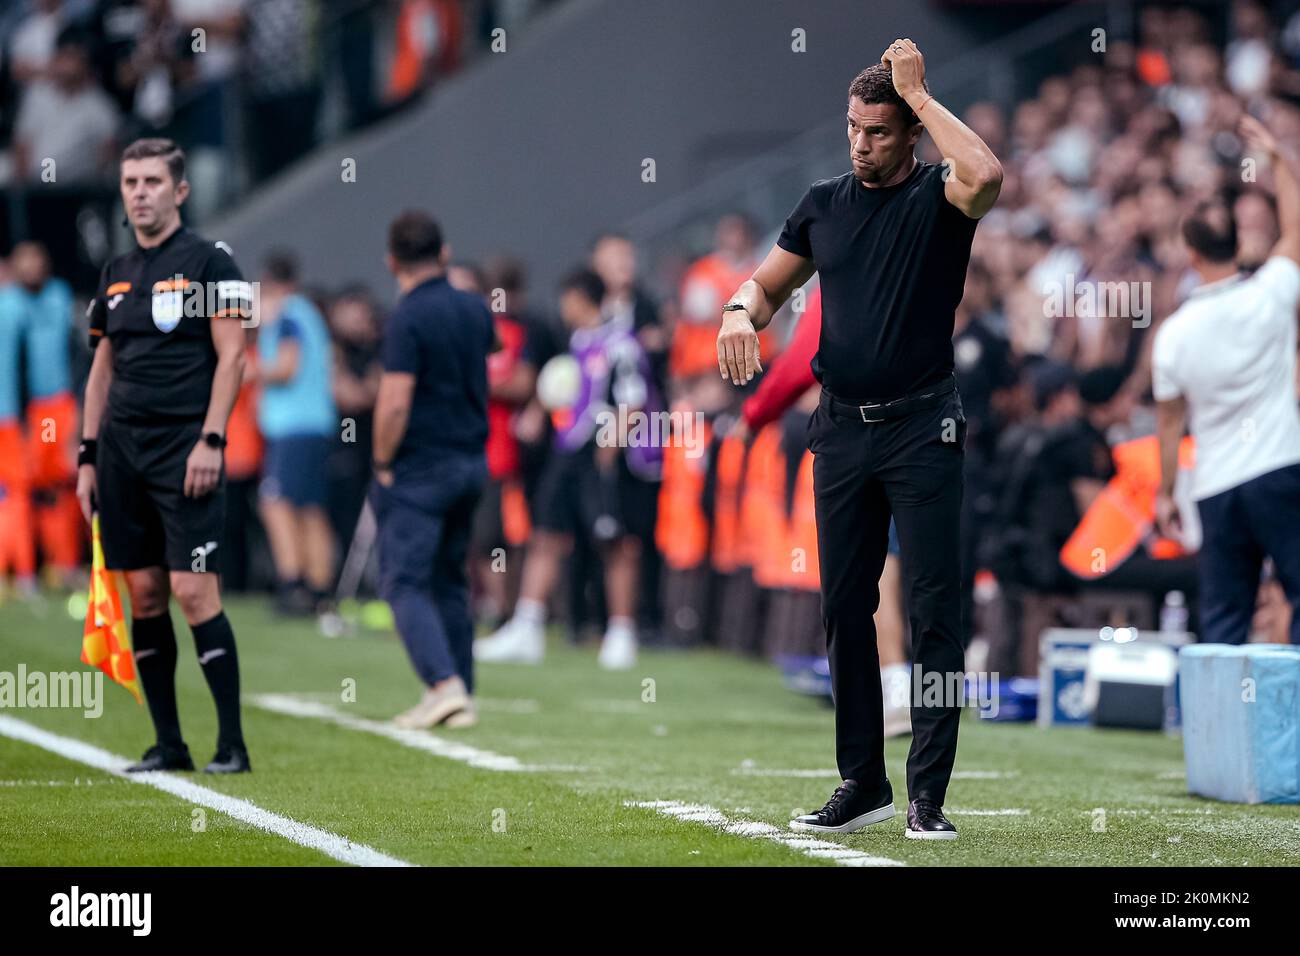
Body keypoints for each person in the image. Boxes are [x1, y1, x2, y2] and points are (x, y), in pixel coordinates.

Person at [717, 41, 1002, 839]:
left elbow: (988, 175)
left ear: (910, 131)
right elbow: (767, 286)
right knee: (844, 607)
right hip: (841, 429)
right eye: (853, 128)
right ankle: (862, 780)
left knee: (935, 608)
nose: (860, 143)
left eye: (878, 130)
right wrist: (739, 313)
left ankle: (928, 797)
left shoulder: (942, 197)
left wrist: (920, 94)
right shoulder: (823, 203)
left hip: (922, 426)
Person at [77, 138, 253, 773]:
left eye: (152, 181)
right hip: (122, 453)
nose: (140, 192)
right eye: (130, 182)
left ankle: (231, 745)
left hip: (186, 449)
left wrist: (212, 439)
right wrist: (87, 456)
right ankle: (168, 744)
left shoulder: (212, 263)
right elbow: (101, 370)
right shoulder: (115, 271)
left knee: (193, 591)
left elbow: (233, 356)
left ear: (180, 191)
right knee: (145, 593)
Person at [1154, 114, 1300, 645]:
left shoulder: (1172, 335)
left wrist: (1167, 494)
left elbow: (1170, 427)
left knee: (1223, 620)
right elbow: (1297, 228)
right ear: (1238, 245)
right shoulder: (1272, 292)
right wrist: (1280, 159)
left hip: (1216, 488)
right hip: (1280, 471)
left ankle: (1221, 729)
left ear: (1191, 255)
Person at [475, 268, 663, 670]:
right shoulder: (579, 342)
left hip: (602, 452)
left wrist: (611, 446)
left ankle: (622, 631)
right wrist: (540, 412)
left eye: (567, 299)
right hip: (570, 450)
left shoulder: (620, 345)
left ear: (581, 298)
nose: (563, 308)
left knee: (615, 542)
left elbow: (634, 401)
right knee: (545, 532)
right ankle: (527, 626)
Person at [372, 211, 494, 729]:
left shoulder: (407, 316)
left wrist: (381, 460)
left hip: (422, 467)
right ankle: (459, 689)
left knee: (404, 581)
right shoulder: (474, 308)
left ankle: (441, 685)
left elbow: (395, 401)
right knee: (449, 580)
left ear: (392, 261)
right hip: (471, 462)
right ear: (444, 254)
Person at [249, 251, 338, 617]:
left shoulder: (287, 315)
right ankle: (319, 588)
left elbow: (287, 367)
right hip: (316, 425)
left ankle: (293, 584)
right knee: (309, 508)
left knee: (275, 501)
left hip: (296, 427)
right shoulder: (308, 313)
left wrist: (247, 373)